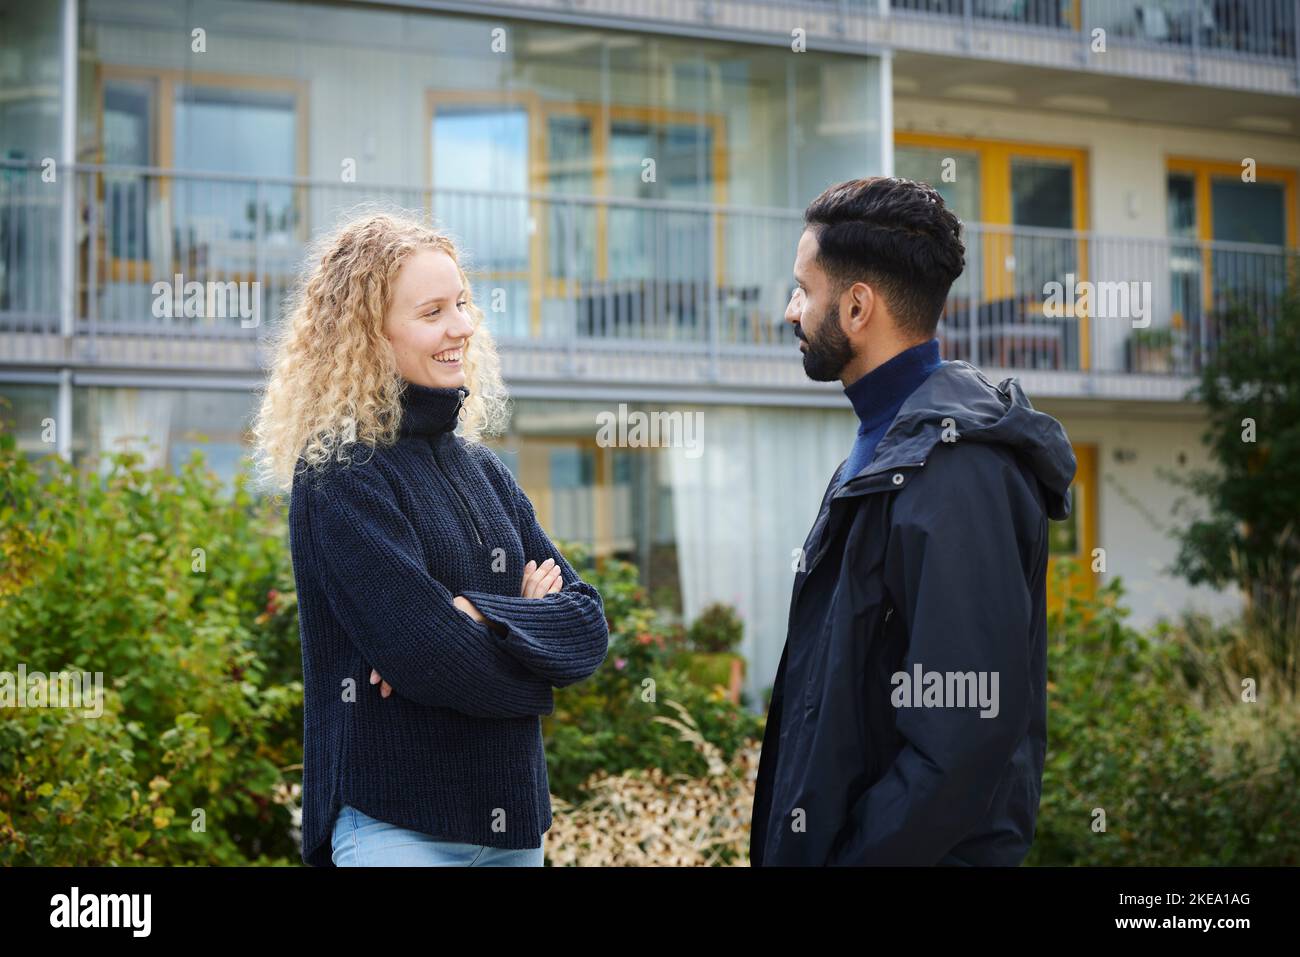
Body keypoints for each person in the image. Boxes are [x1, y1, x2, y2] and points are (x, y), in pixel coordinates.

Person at [252, 210, 609, 866]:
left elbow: (587, 626)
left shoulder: (485, 472)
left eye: (463, 304)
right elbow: (427, 656)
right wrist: (532, 646)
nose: (462, 327)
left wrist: (478, 615)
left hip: (513, 833)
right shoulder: (341, 473)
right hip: (396, 830)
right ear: (370, 335)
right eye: (433, 311)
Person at [749, 177, 1077, 866]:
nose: (790, 310)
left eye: (803, 290)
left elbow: (962, 734)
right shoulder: (885, 447)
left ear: (858, 306)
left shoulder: (958, 472)